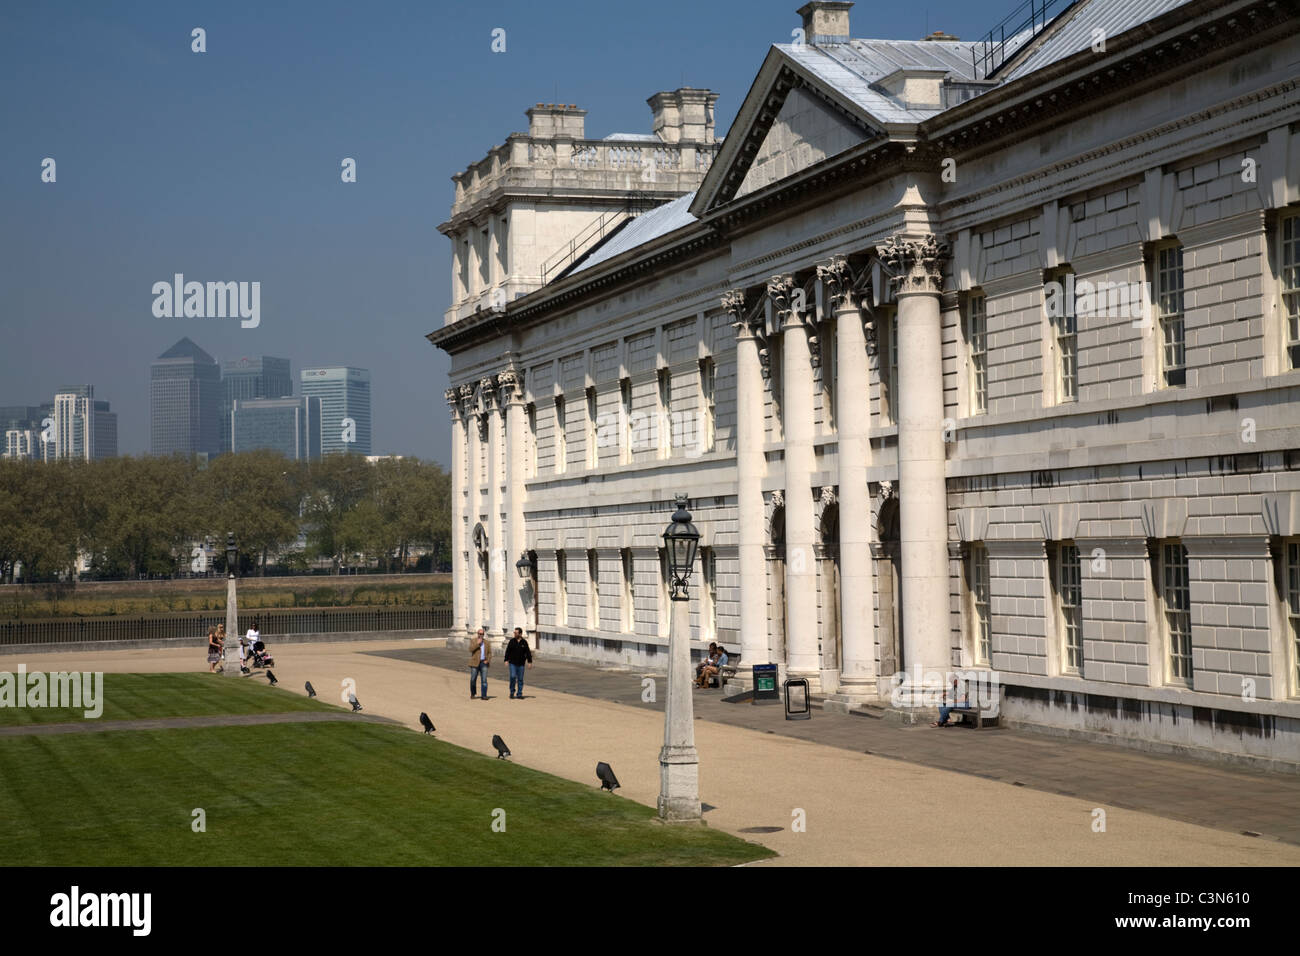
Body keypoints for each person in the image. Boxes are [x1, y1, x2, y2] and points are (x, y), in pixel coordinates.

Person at [504, 627, 534, 699]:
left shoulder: (524, 642)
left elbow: (528, 652)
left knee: (520, 679)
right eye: (514, 633)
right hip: (512, 663)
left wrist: (529, 662)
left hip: (521, 664)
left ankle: (519, 693)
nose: (514, 634)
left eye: (516, 633)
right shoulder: (512, 641)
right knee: (513, 676)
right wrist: (506, 660)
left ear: (520, 634)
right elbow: (507, 651)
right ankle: (512, 691)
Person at [469, 627, 491, 700]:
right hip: (475, 662)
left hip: (483, 662)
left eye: (482, 634)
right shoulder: (473, 640)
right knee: (473, 679)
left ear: (483, 634)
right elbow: (470, 649)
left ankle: (484, 695)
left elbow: (490, 653)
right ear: (477, 634)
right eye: (479, 634)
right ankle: (473, 693)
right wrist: (478, 644)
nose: (480, 635)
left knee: (484, 680)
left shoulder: (487, 642)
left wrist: (487, 660)